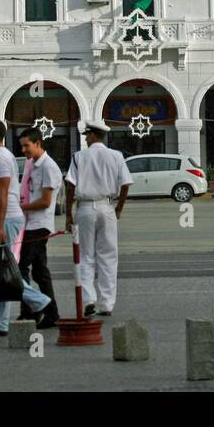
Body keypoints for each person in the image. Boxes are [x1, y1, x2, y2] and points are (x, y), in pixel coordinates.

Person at [0, 118, 56, 337]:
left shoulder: (0, 159)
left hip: (5, 220)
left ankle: (40, 302)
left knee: (2, 272)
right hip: (4, 219)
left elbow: (3, 193)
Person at [64, 120, 132, 317]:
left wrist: (68, 214)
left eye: (86, 135)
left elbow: (70, 186)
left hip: (85, 208)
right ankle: (107, 304)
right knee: (109, 256)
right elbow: (126, 184)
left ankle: (88, 299)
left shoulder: (79, 157)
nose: (85, 138)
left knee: (86, 256)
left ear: (93, 135)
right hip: (107, 206)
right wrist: (119, 208)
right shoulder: (116, 156)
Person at [16, 128, 62, 329]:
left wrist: (20, 207)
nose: (24, 149)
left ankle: (31, 311)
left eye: (27, 145)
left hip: (40, 224)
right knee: (40, 271)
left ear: (38, 143)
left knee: (21, 268)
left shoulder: (48, 167)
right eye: (22, 146)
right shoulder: (31, 164)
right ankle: (52, 314)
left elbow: (45, 201)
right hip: (29, 223)